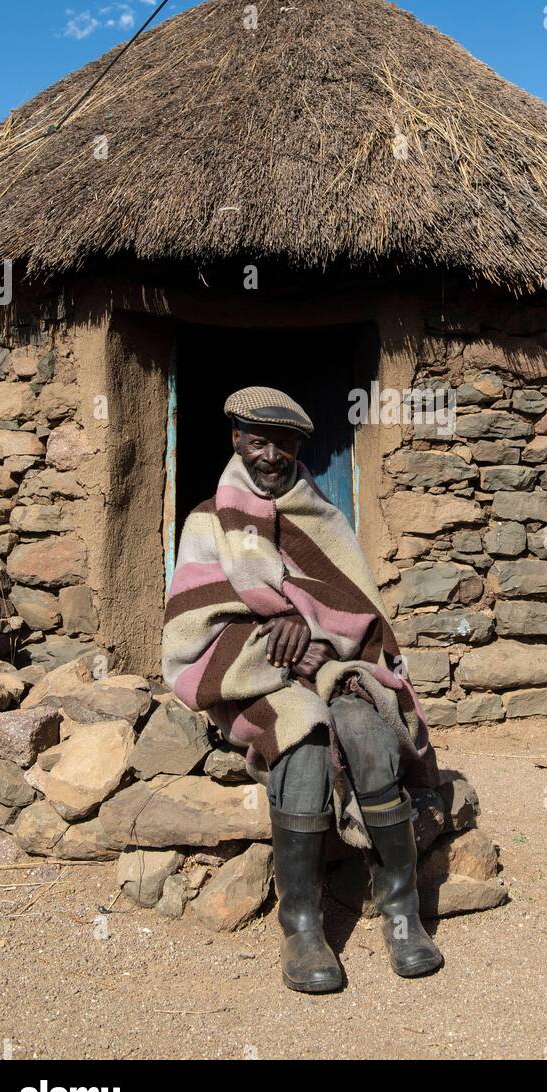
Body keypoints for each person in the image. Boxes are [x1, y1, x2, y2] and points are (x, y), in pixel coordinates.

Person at [162, 385, 444, 994]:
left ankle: (401, 911)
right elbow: (192, 628)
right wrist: (271, 634)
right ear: (236, 439)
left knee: (369, 732)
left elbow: (357, 614)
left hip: (332, 668)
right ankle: (303, 926)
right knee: (305, 734)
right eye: (258, 441)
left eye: (284, 444)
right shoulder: (208, 521)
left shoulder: (324, 515)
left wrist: (316, 636)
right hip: (250, 678)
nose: (271, 455)